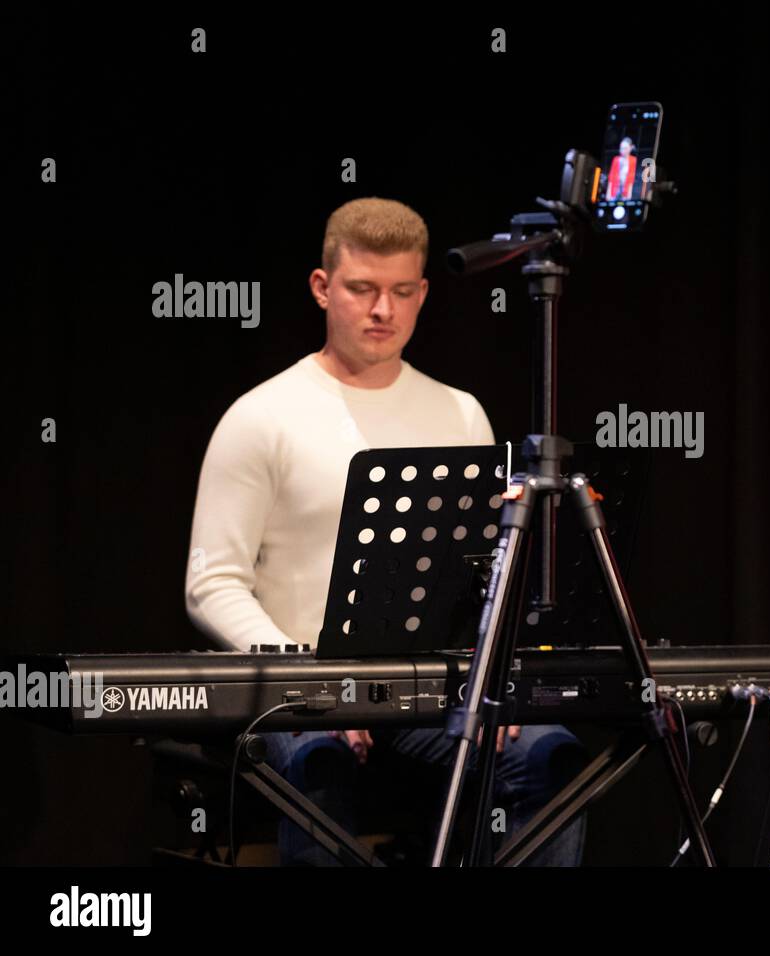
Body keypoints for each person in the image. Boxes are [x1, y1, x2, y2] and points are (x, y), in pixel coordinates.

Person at [184, 196, 586, 865]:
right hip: (301, 688)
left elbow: (484, 576)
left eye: (402, 292)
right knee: (320, 765)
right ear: (322, 288)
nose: (383, 311)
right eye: (363, 289)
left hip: (427, 686)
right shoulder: (261, 417)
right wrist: (314, 683)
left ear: (423, 292)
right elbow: (212, 584)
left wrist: (498, 679)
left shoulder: (460, 415)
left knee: (553, 760)